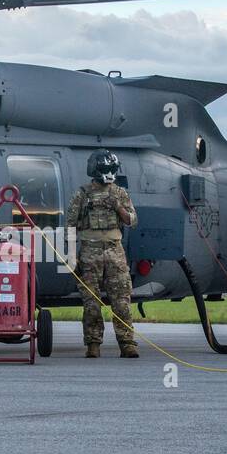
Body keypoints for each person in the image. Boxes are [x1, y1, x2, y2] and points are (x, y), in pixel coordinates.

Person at [66, 149, 138, 358]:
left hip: (115, 251)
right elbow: (70, 227)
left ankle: (127, 343)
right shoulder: (82, 194)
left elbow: (131, 220)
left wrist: (117, 206)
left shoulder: (120, 194)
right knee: (91, 303)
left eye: (112, 169)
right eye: (106, 169)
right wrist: (72, 257)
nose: (109, 173)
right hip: (90, 252)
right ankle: (93, 344)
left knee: (122, 301)